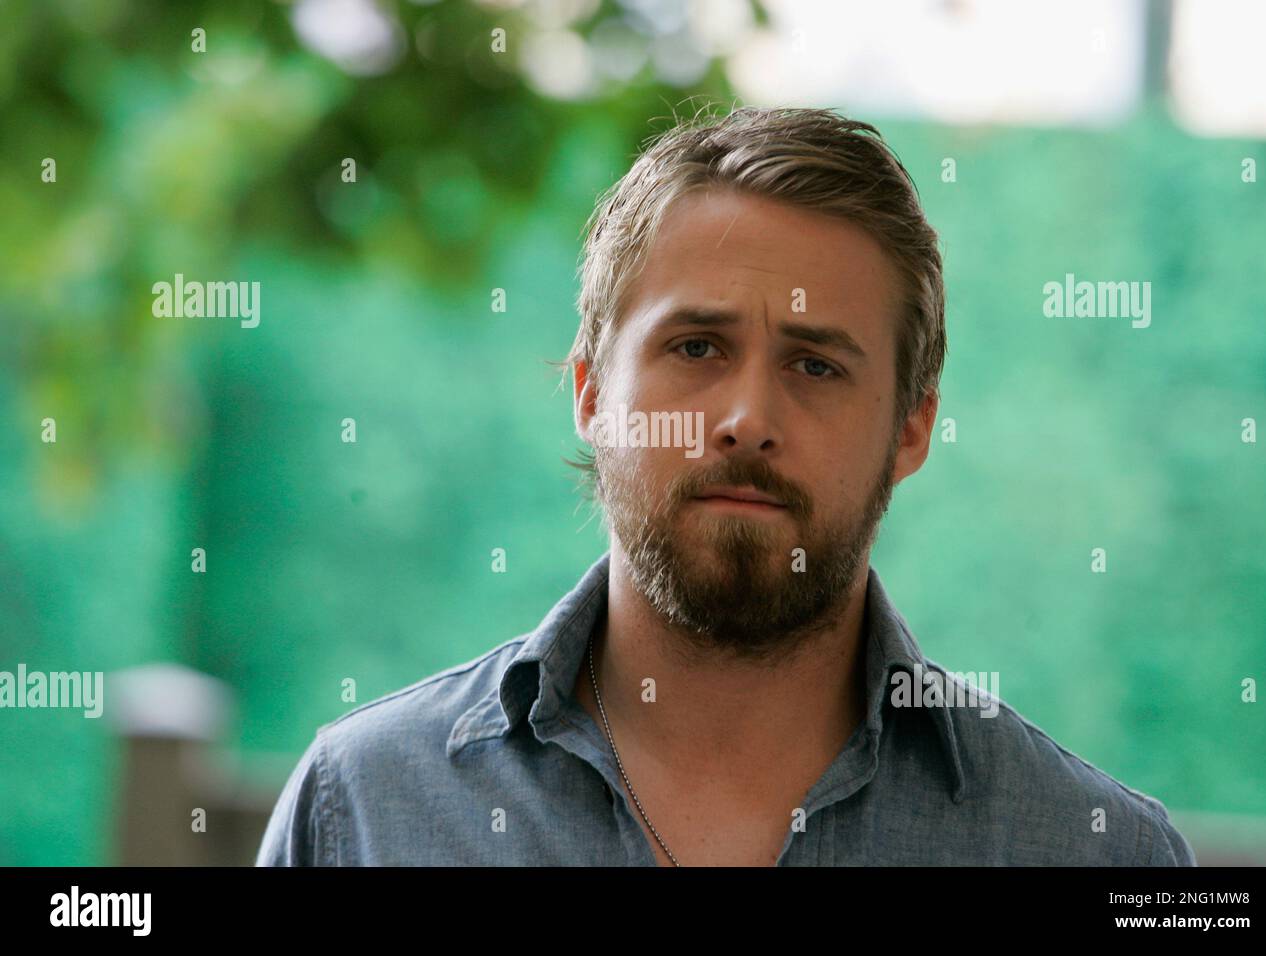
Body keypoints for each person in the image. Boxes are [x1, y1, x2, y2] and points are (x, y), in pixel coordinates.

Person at [256, 105, 1196, 866]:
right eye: (696, 347)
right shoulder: (365, 813)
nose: (747, 416)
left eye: (817, 365)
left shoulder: (1102, 855)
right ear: (591, 393)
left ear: (911, 427)